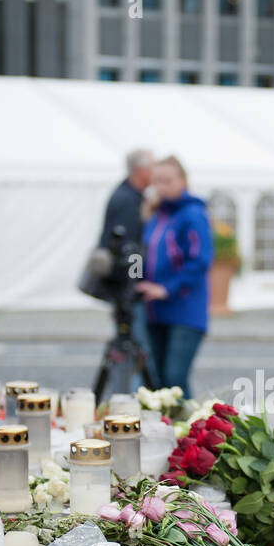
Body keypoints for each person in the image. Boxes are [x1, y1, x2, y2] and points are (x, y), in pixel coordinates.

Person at [136, 156, 212, 398]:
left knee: (175, 379)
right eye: (157, 181)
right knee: (155, 379)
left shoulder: (193, 214)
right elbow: (141, 254)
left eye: (167, 180)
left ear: (183, 180)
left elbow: (200, 260)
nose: (161, 186)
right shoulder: (156, 215)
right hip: (155, 310)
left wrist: (167, 288)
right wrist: (134, 278)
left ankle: (189, 432)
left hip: (185, 310)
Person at [100, 149, 156, 387]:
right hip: (126, 292)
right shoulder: (128, 199)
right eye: (152, 167)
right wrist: (134, 285)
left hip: (122, 289)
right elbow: (129, 249)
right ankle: (125, 403)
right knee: (135, 352)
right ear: (141, 171)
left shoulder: (127, 194)